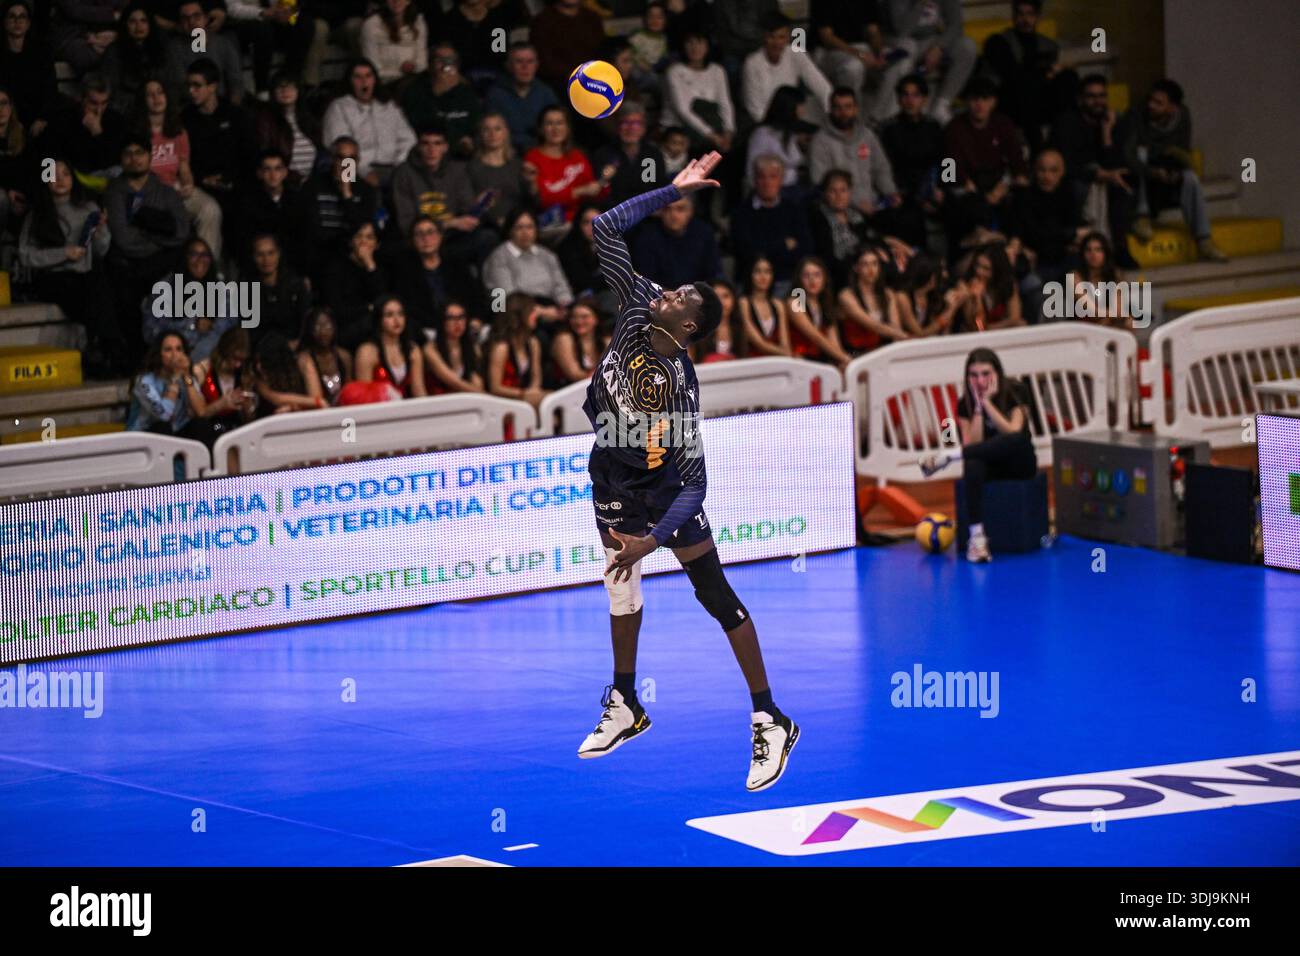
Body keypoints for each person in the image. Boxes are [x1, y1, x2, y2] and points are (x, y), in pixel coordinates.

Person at [577, 151, 799, 791]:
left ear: (690, 325)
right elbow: (603, 229)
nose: (665, 290)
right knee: (619, 582)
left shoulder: (678, 391)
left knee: (713, 592)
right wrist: (669, 192)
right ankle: (626, 702)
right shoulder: (639, 302)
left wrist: (653, 539)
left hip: (665, 488)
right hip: (611, 471)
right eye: (668, 288)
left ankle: (770, 716)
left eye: (679, 295)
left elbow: (697, 483)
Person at [920, 346, 1037, 563]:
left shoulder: (1017, 390)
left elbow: (1013, 431)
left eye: (985, 374)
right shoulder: (965, 403)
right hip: (991, 465)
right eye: (974, 375)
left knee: (1015, 439)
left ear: (997, 373)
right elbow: (974, 443)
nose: (980, 380)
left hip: (1019, 464)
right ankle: (977, 537)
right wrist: (978, 409)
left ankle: (950, 456)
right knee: (972, 461)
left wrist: (988, 403)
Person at [19, 156, 119, 374]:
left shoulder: (88, 207)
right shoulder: (37, 214)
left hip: (85, 273)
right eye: (54, 175)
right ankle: (96, 346)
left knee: (99, 284)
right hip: (53, 276)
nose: (60, 180)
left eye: (65, 174)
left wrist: (101, 230)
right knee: (83, 291)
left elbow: (101, 249)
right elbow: (26, 256)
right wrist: (63, 253)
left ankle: (102, 347)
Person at [321, 58, 416, 184]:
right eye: (358, 77)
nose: (364, 81)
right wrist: (362, 172)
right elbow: (339, 146)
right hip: (355, 170)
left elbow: (409, 139)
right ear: (350, 81)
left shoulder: (388, 105)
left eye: (368, 76)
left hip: (393, 168)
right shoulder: (339, 107)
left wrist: (400, 165)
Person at [661, 31, 734, 153]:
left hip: (713, 127)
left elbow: (725, 102)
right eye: (690, 43)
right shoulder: (675, 72)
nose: (695, 47)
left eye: (700, 43)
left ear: (707, 46)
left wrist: (728, 131)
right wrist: (711, 136)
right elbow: (683, 110)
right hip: (679, 128)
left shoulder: (717, 71)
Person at [483, 43, 557, 155]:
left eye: (530, 62)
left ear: (536, 65)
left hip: (541, 152)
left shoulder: (546, 93)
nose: (525, 67)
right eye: (519, 61)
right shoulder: (496, 95)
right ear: (509, 66)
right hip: (506, 154)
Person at [838, 244, 908, 353]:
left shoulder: (887, 293)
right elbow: (874, 326)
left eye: (875, 264)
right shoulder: (846, 295)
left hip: (880, 350)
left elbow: (895, 326)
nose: (871, 269)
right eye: (865, 264)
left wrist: (900, 343)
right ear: (856, 268)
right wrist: (906, 336)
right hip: (855, 353)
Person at [354, 294, 427, 397]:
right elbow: (364, 396)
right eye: (389, 315)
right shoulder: (367, 352)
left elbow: (418, 390)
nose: (397, 320)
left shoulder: (413, 349)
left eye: (400, 314)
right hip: (378, 409)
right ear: (379, 319)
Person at [787, 256, 850, 366]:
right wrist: (846, 358)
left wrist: (843, 360)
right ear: (799, 279)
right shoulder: (794, 301)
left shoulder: (825, 302)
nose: (812, 280)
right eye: (806, 276)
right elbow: (816, 337)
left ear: (824, 278)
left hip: (821, 359)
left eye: (817, 275)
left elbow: (834, 342)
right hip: (799, 361)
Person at [422, 299, 483, 394]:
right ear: (442, 321)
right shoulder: (430, 349)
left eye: (461, 317)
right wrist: (484, 394)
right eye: (451, 318)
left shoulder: (472, 347)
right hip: (440, 401)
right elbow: (455, 383)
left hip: (466, 400)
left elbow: (477, 379)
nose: (457, 322)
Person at [360, 0, 427, 85]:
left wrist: (414, 67)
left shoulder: (418, 22)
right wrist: (401, 73)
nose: (396, 1)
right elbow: (372, 69)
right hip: (384, 84)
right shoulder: (371, 25)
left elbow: (422, 63)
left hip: (412, 82)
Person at [296, 306, 353, 406]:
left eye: (327, 326)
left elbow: (350, 393)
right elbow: (314, 398)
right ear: (309, 330)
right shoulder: (304, 359)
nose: (323, 332)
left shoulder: (344, 356)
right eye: (317, 327)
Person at [738, 255, 791, 356]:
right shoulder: (743, 302)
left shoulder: (778, 304)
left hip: (777, 360)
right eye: (758, 271)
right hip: (752, 361)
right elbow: (759, 343)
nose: (763, 276)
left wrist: (787, 354)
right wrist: (785, 353)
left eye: (767, 272)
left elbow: (785, 341)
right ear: (750, 274)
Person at [548, 296, 606, 386]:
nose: (579, 321)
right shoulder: (563, 339)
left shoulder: (606, 340)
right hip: (566, 391)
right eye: (574, 317)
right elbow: (574, 375)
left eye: (584, 317)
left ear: (596, 319)